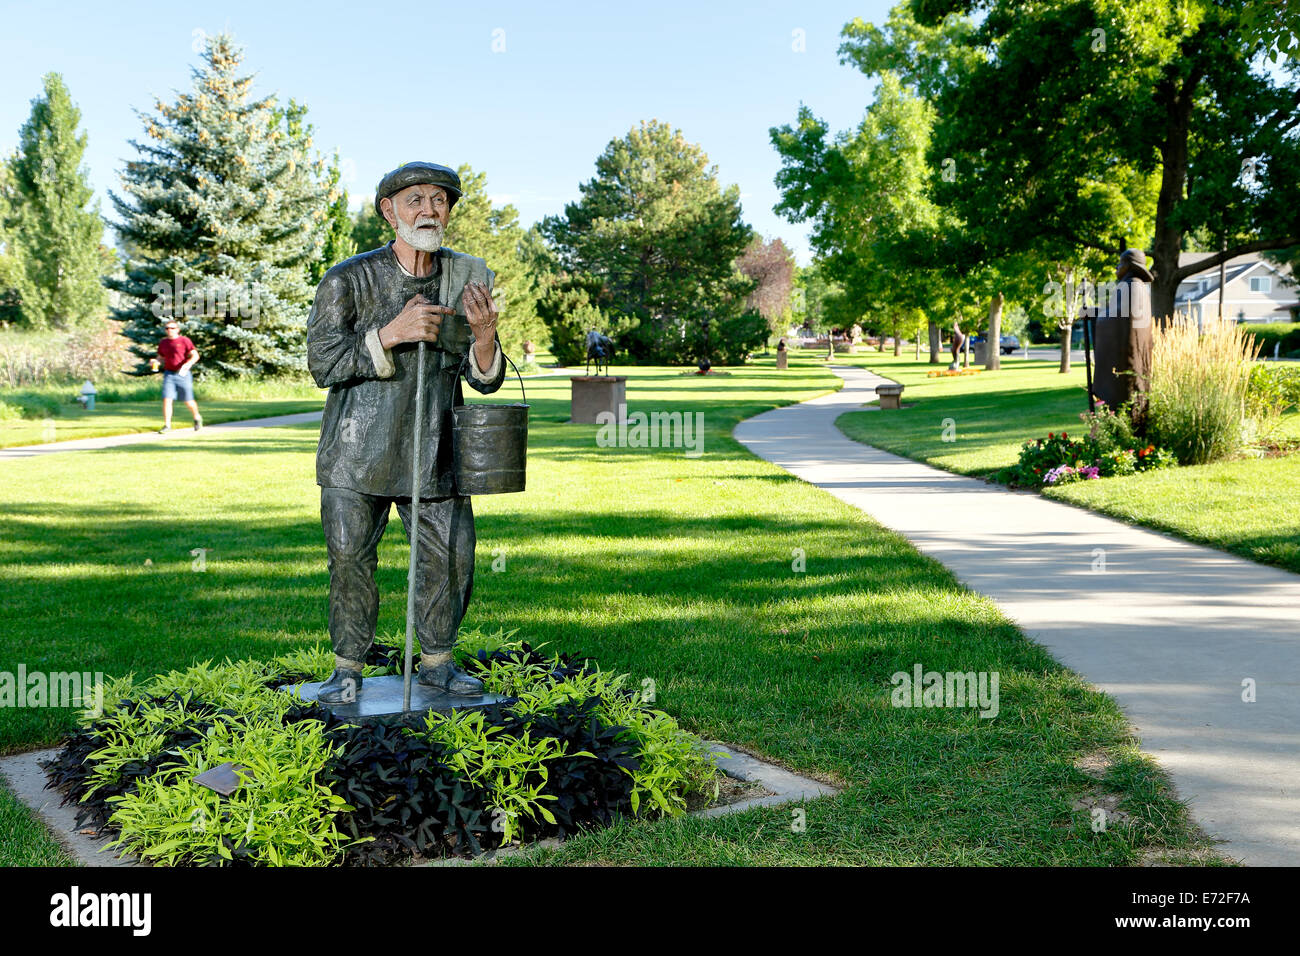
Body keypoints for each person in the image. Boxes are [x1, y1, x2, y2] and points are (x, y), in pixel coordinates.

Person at [307, 161, 506, 704]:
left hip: (435, 449)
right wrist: (388, 335)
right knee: (349, 558)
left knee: (451, 555)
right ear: (388, 211)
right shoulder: (348, 278)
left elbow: (483, 377)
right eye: (414, 199)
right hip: (356, 452)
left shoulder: (467, 275)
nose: (428, 209)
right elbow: (323, 364)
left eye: (439, 200)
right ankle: (348, 668)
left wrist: (484, 335)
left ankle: (438, 663)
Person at [155, 320, 202, 433]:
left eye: (172, 328)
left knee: (188, 401)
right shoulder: (163, 342)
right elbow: (160, 357)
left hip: (183, 374)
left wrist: (189, 363)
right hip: (169, 374)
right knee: (167, 399)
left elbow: (195, 355)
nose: (169, 330)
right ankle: (167, 425)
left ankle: (197, 417)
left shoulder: (184, 340)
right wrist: (155, 361)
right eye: (167, 328)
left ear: (177, 329)